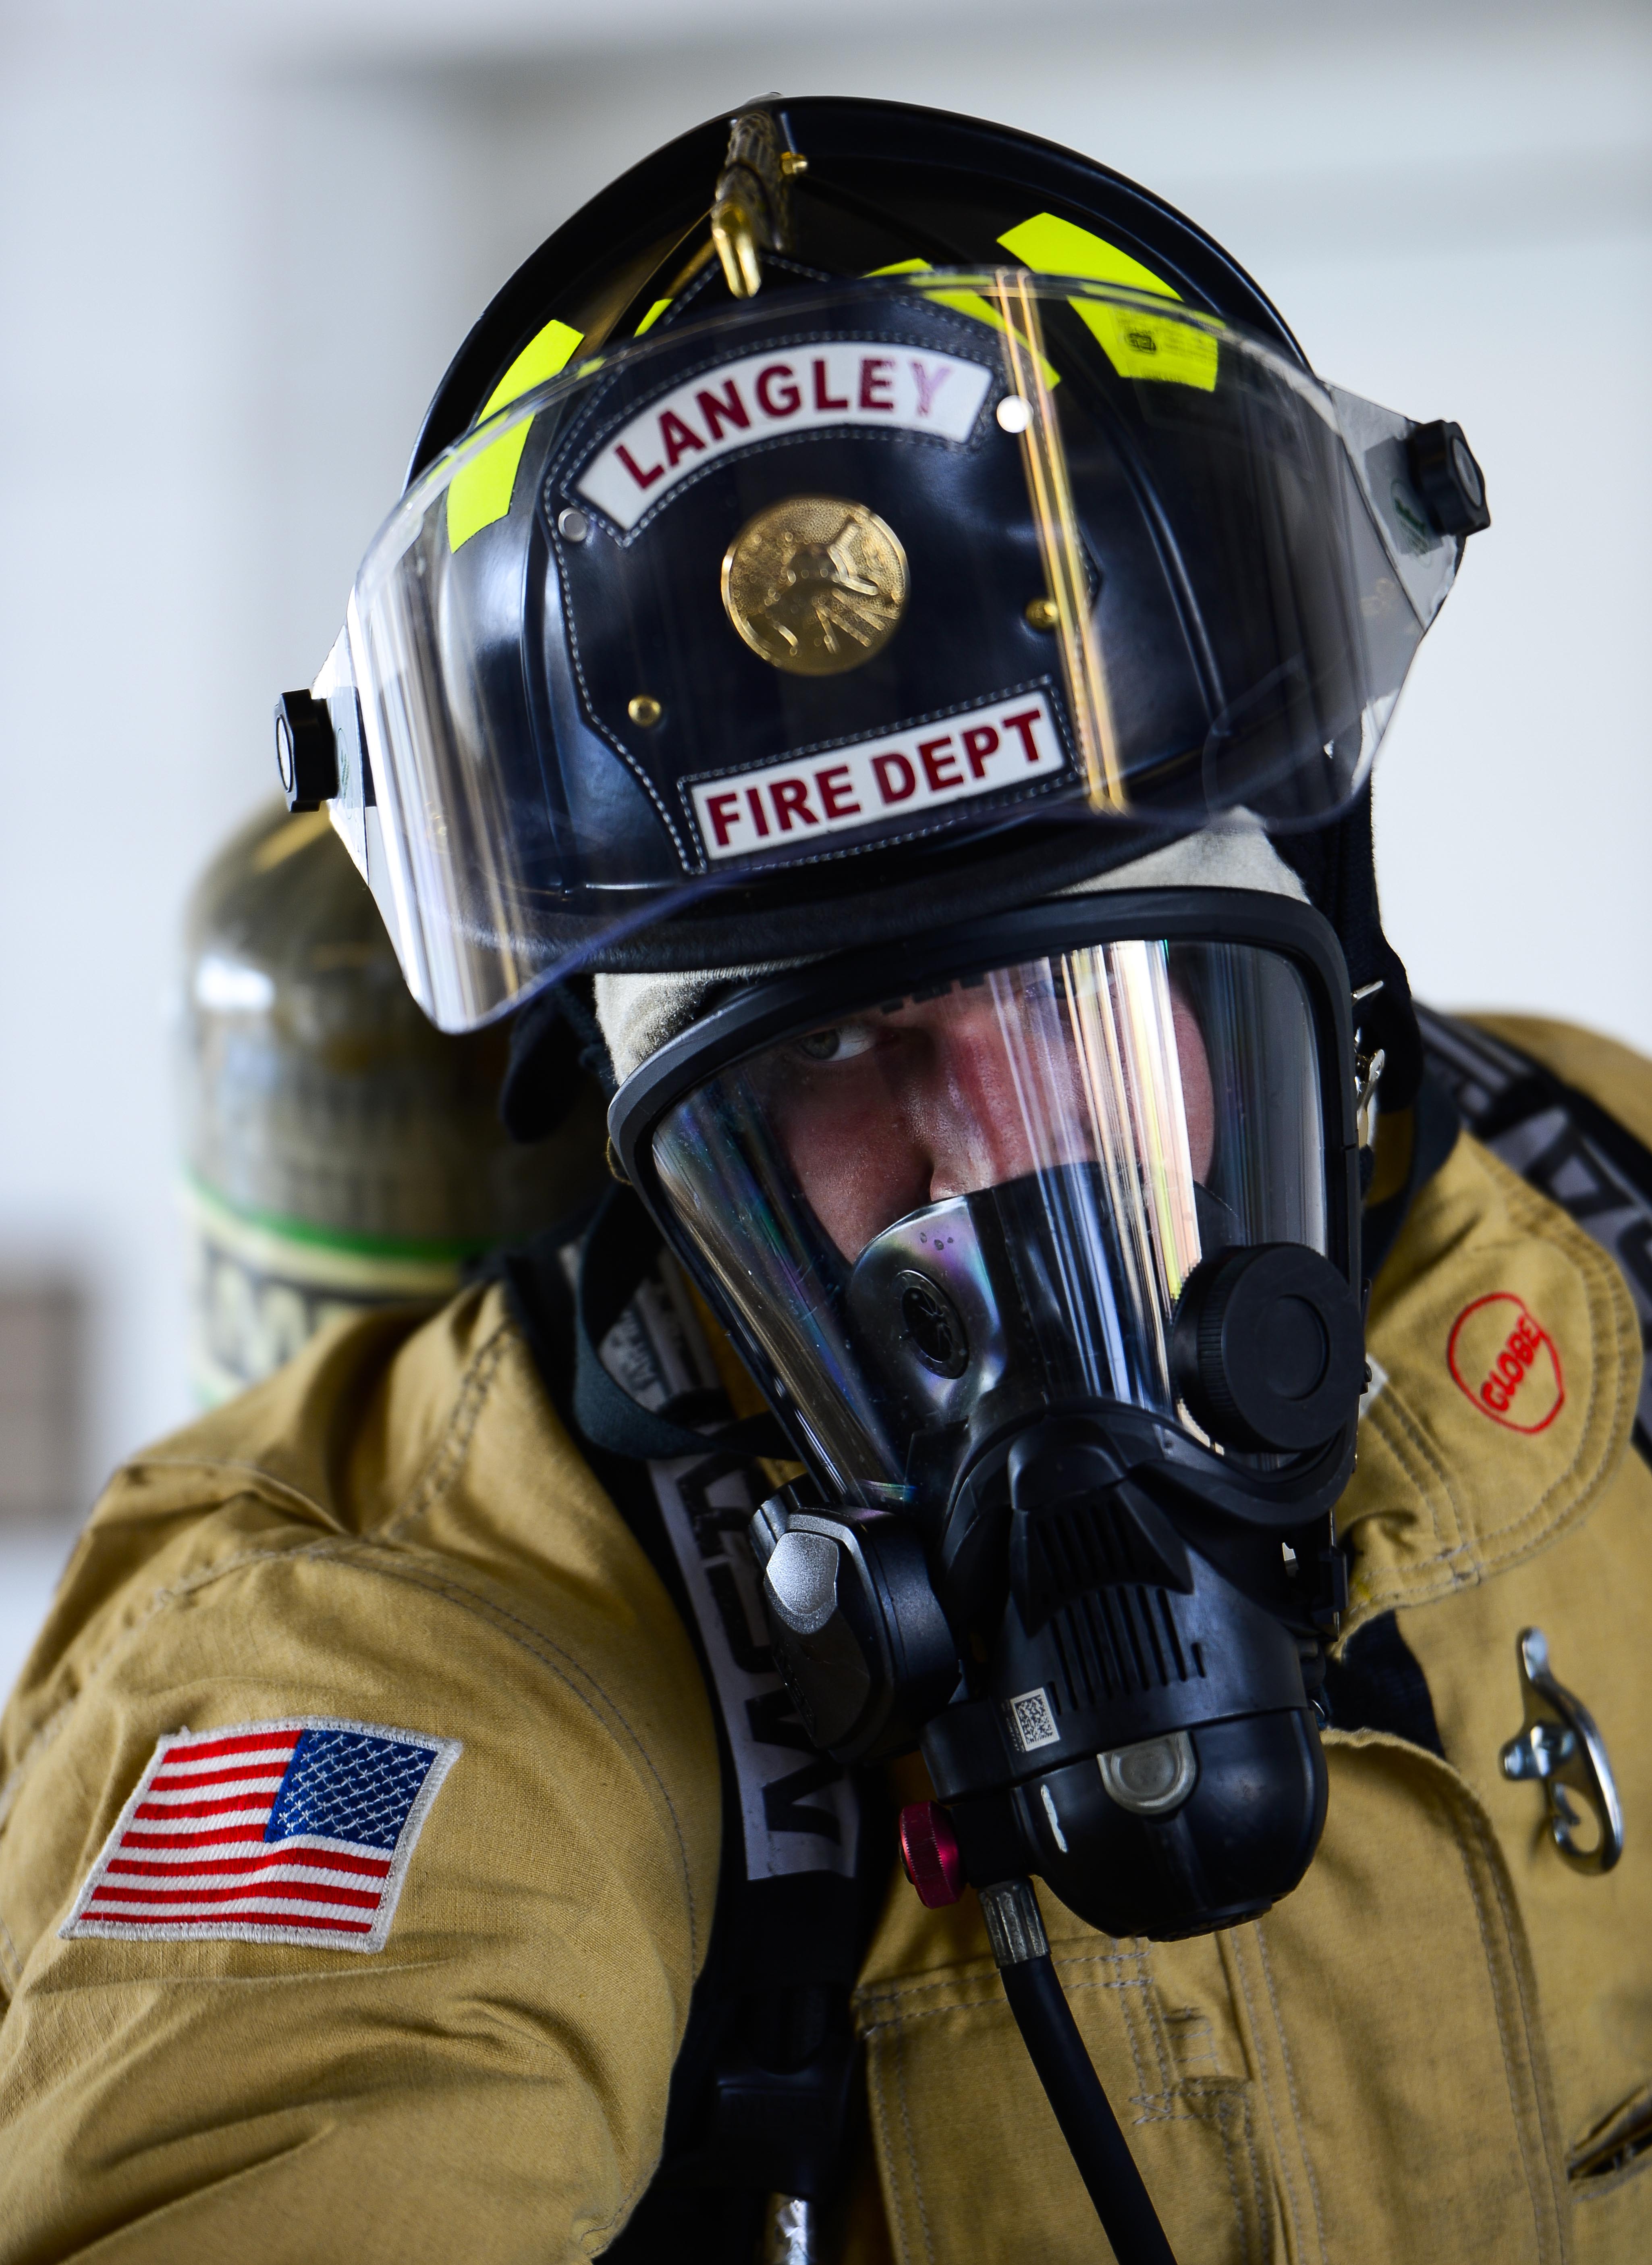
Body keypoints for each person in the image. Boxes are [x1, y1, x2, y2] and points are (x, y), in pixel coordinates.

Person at [1, 95, 1646, 2265]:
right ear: (632, 1136)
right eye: (840, 1046)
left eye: (1099, 986)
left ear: (1318, 953)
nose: (989, 1139)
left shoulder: (1600, 1202)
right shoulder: (395, 1623)